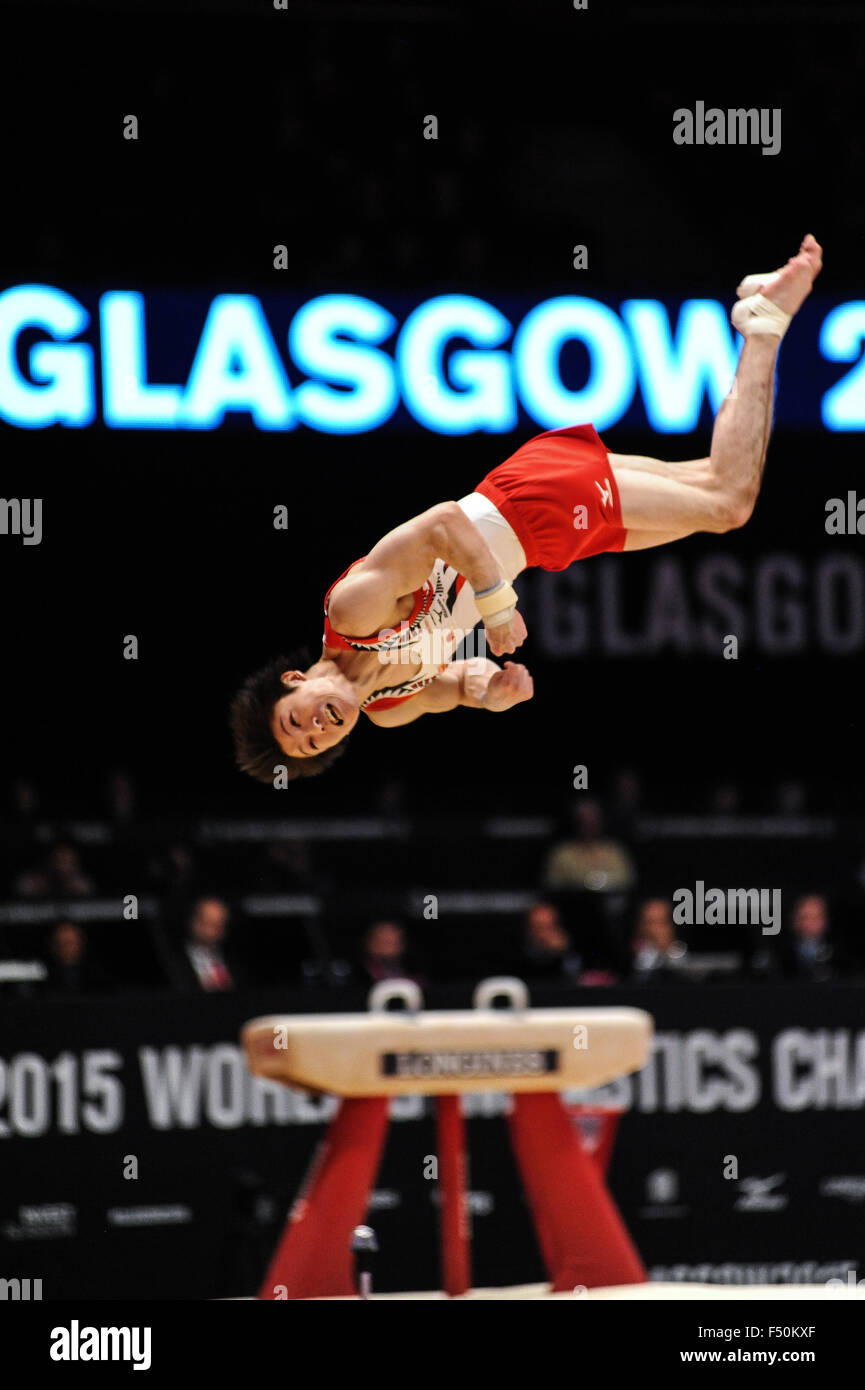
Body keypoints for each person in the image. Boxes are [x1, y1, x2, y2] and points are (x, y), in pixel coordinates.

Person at [230, 236, 823, 784]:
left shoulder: (353, 612)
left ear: (295, 681)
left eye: (294, 721)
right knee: (712, 485)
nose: (315, 729)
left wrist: (494, 603)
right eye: (310, 746)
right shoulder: (391, 707)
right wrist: (494, 690)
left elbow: (443, 523)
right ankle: (758, 318)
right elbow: (460, 684)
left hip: (526, 504)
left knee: (726, 503)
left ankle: (762, 324)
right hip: (546, 542)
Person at [629, 898, 688, 981]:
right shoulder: (631, 961)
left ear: (672, 925)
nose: (653, 930)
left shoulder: (686, 959)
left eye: (660, 923)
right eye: (648, 923)